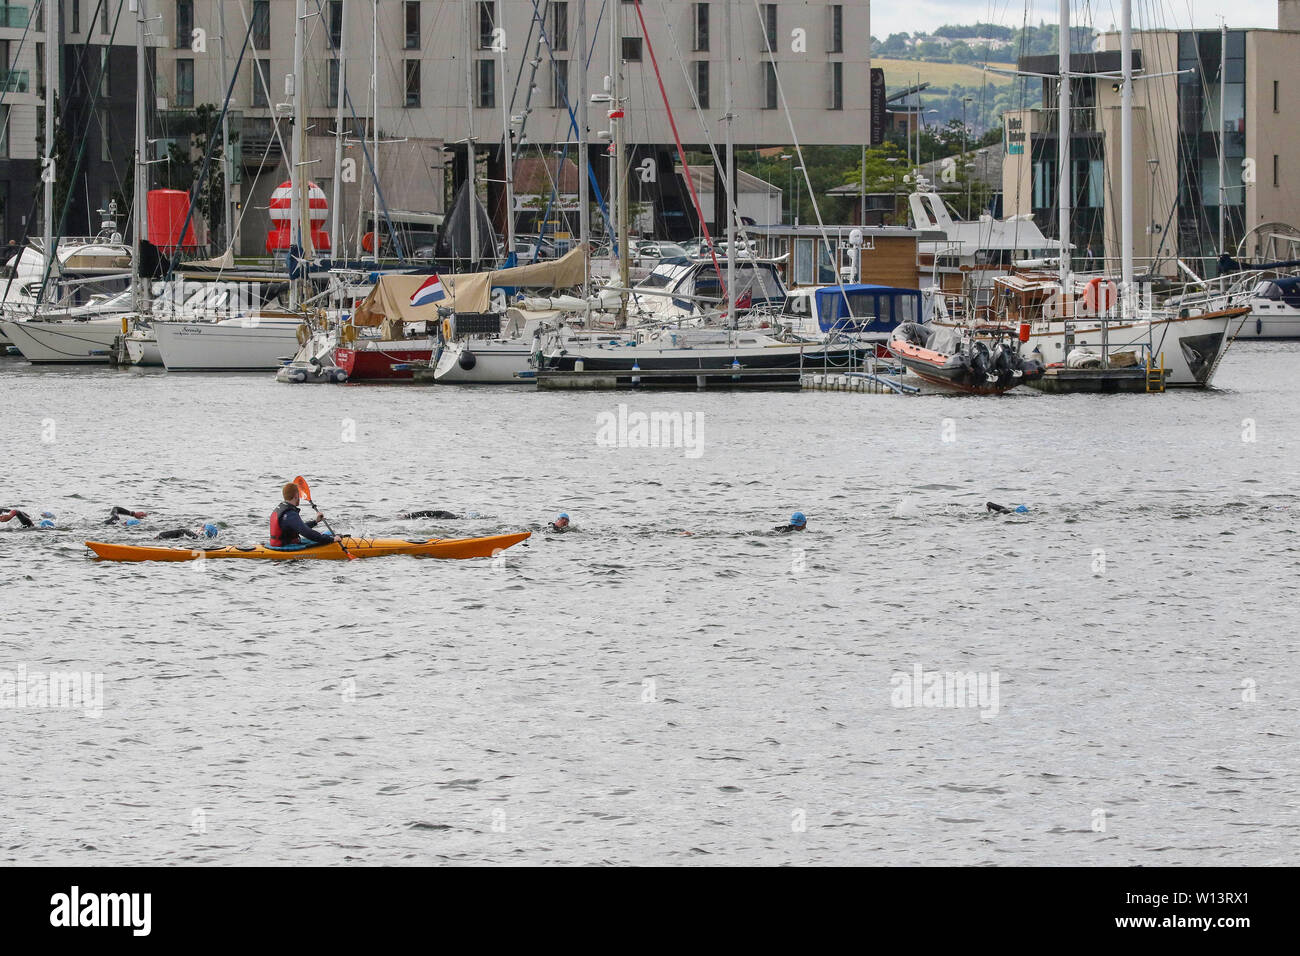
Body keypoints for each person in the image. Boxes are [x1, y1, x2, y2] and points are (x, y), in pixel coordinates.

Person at [270, 482, 333, 548]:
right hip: (286, 546)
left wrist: (315, 522)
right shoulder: (290, 514)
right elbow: (307, 533)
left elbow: (299, 528)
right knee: (329, 535)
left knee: (328, 534)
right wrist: (331, 540)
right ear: (296, 496)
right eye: (299, 495)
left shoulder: (280, 509)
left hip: (278, 544)